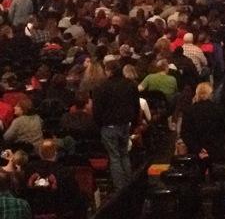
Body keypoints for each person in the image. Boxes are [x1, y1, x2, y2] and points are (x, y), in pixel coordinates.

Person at [92, 59, 140, 189]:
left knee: (114, 157)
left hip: (109, 126)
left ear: (109, 71)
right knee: (124, 154)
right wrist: (134, 124)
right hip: (125, 124)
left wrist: (99, 124)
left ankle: (120, 188)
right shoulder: (130, 84)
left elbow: (96, 110)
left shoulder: (101, 87)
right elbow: (136, 106)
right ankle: (129, 183)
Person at [23, 138, 87, 219]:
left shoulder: (28, 169)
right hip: (59, 214)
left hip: (33, 214)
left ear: (39, 153)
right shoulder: (65, 171)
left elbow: (24, 193)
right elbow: (74, 195)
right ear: (56, 153)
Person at [180, 83, 225, 171]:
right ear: (211, 94)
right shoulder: (218, 109)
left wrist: (199, 149)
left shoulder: (189, 111)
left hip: (196, 152)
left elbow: (185, 133)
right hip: (216, 150)